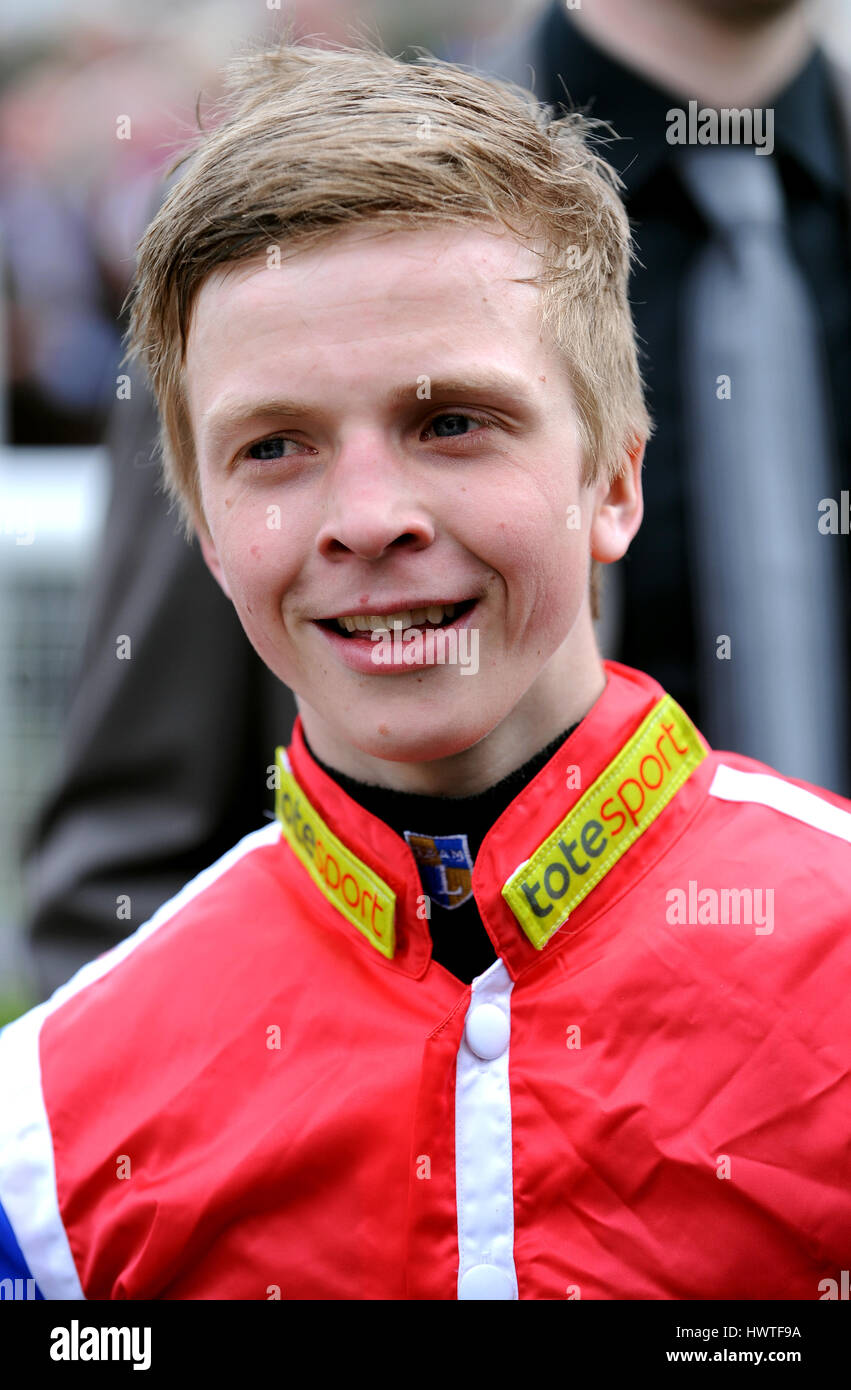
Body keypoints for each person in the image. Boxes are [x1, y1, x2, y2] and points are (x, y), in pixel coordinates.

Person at [1, 32, 848, 1301]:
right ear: (206, 532)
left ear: (613, 477)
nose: (366, 515)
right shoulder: (48, 1137)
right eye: (275, 448)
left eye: (450, 421)